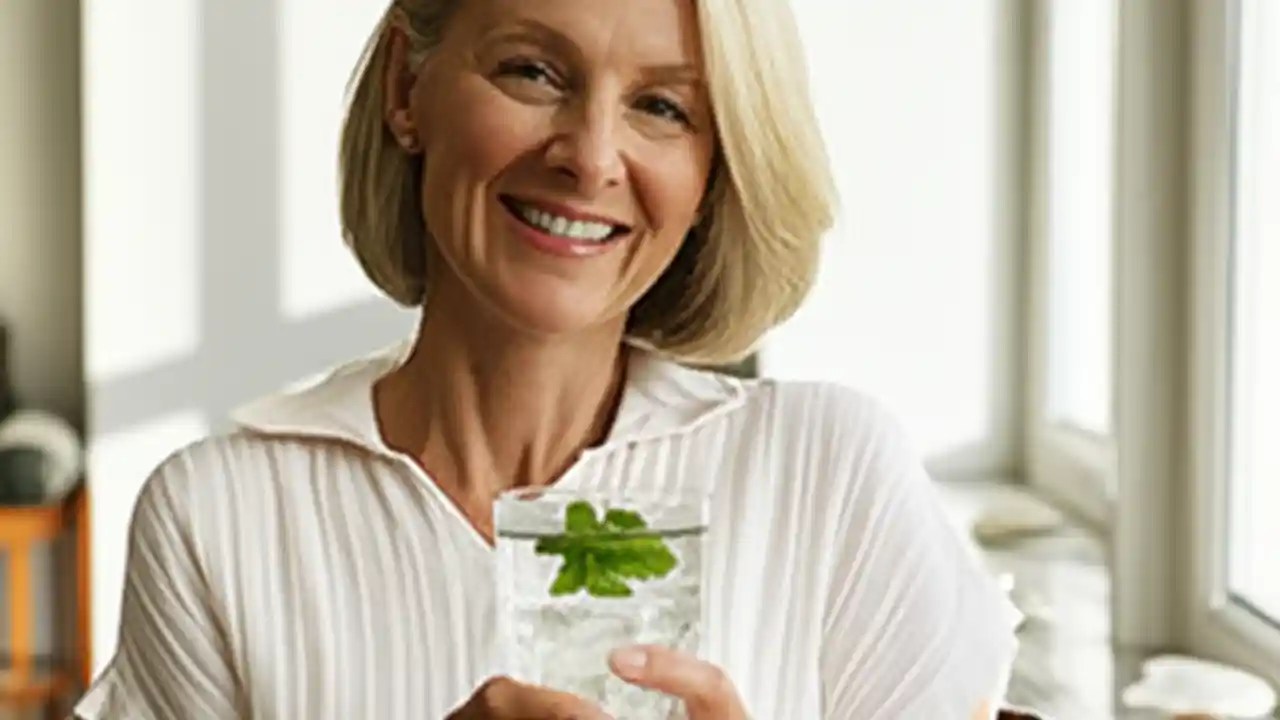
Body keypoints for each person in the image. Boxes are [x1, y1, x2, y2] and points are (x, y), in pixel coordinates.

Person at [75, 0, 1020, 717]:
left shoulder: (829, 472)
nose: (592, 156)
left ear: (712, 170)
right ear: (408, 88)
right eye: (533, 73)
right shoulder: (221, 517)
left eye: (661, 106)